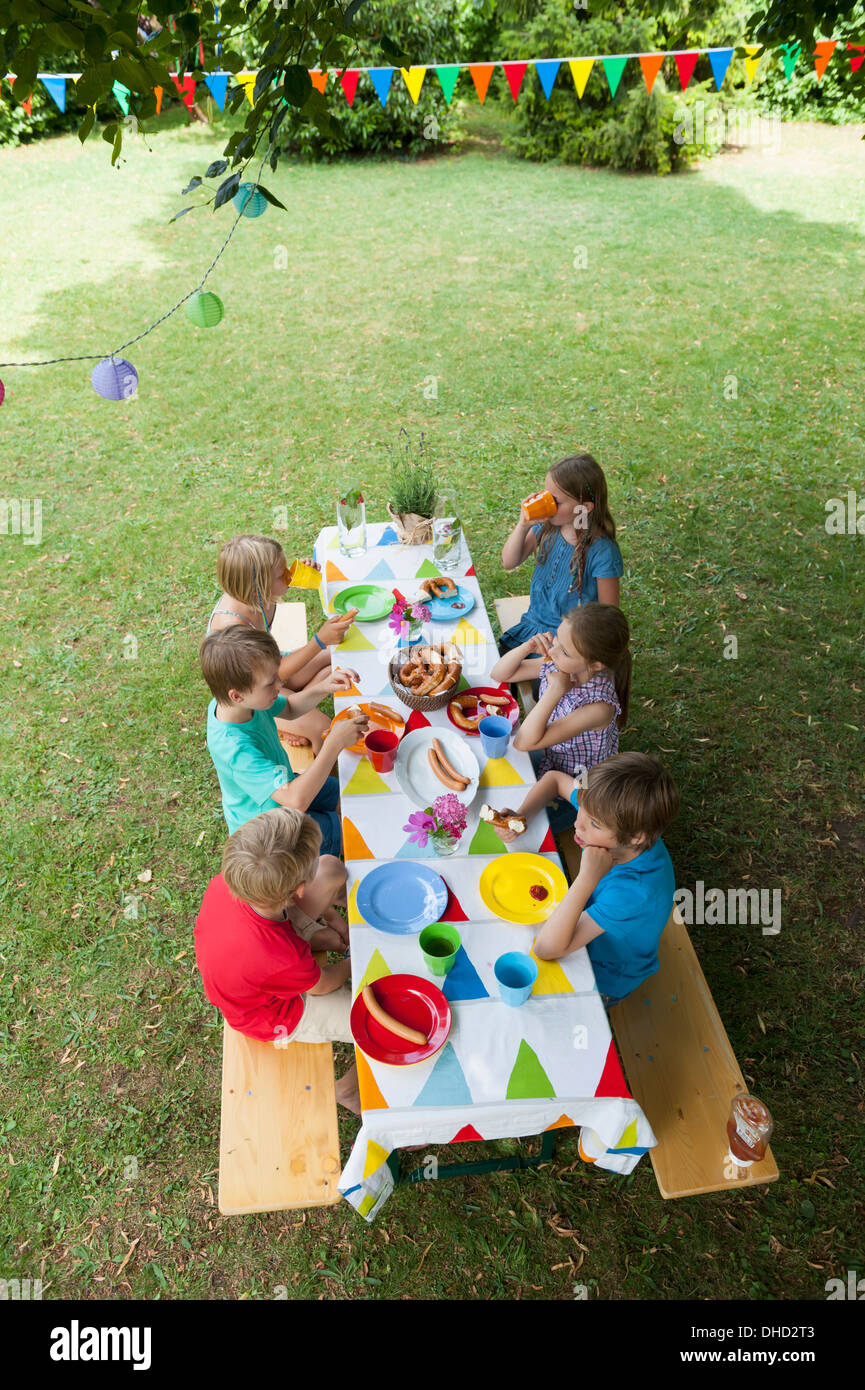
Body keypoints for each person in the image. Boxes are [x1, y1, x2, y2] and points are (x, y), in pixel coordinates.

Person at [195, 808, 360, 1113]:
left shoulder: (228, 883)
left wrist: (333, 921)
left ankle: (314, 937)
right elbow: (322, 986)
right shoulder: (280, 956)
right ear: (298, 890)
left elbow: (311, 884)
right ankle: (348, 1091)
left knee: (331, 869)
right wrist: (356, 957)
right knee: (375, 1023)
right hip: (275, 1014)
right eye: (314, 856)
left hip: (263, 951)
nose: (318, 857)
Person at [494, 753, 679, 1010]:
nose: (577, 825)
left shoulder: (634, 891)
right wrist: (520, 817)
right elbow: (555, 780)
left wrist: (586, 878)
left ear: (636, 836)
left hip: (606, 972)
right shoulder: (606, 808)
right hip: (593, 918)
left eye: (593, 823)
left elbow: (547, 949)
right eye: (581, 807)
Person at [200, 625, 368, 855]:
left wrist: (323, 686)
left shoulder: (244, 704)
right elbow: (294, 799)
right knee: (357, 831)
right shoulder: (235, 749)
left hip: (286, 786)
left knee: (352, 795)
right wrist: (333, 744)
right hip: (271, 832)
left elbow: (289, 707)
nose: (280, 686)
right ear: (236, 695)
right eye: (271, 683)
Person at [490, 603, 631, 833]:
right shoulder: (563, 664)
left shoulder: (599, 707)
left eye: (564, 650)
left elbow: (524, 742)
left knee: (515, 824)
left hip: (578, 791)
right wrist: (527, 647)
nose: (552, 652)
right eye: (555, 639)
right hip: (550, 757)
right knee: (494, 778)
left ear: (596, 664)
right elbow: (500, 673)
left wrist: (555, 690)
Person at [206, 534, 356, 750]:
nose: (288, 576)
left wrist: (299, 576)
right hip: (255, 694)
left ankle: (293, 714)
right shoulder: (232, 627)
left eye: (288, 569)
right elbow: (278, 675)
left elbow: (277, 669)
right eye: (282, 574)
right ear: (259, 584)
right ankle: (282, 726)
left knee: (337, 656)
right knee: (322, 729)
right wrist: (319, 641)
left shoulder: (256, 595)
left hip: (270, 669)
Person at [498, 453, 623, 657]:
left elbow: (610, 617)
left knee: (539, 681)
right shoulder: (546, 526)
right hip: (533, 630)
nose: (547, 503)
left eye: (555, 500)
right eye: (546, 494)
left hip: (571, 644)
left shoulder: (602, 552)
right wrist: (523, 524)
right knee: (498, 663)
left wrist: (574, 651)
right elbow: (509, 562)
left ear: (584, 508)